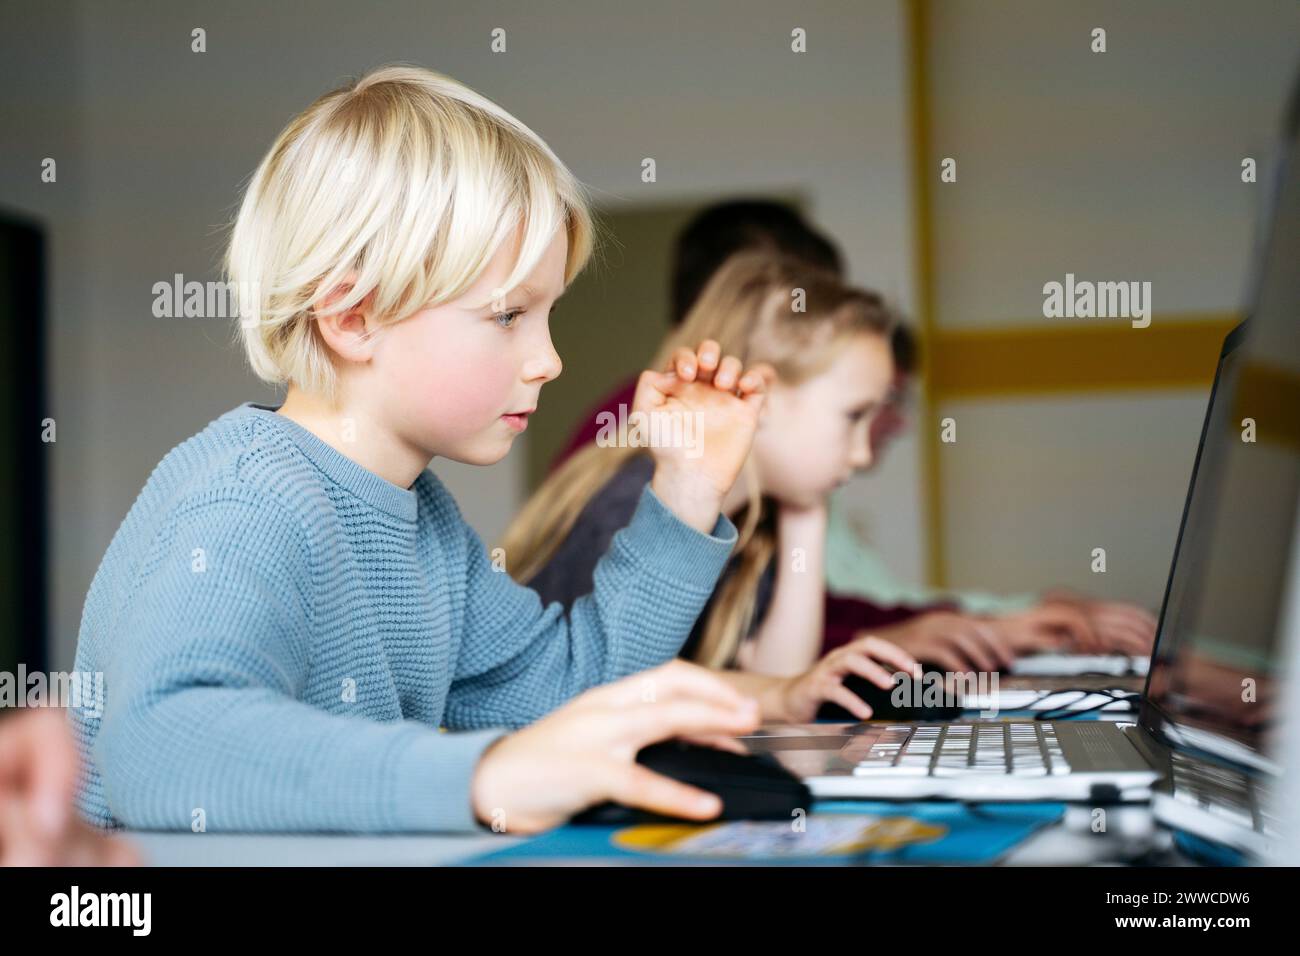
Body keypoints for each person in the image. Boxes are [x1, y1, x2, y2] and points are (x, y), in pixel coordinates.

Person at [70, 65, 778, 836]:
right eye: (509, 316)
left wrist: (685, 489)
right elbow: (164, 747)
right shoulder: (247, 500)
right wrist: (481, 777)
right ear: (351, 318)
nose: (550, 360)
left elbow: (575, 699)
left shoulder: (427, 528)